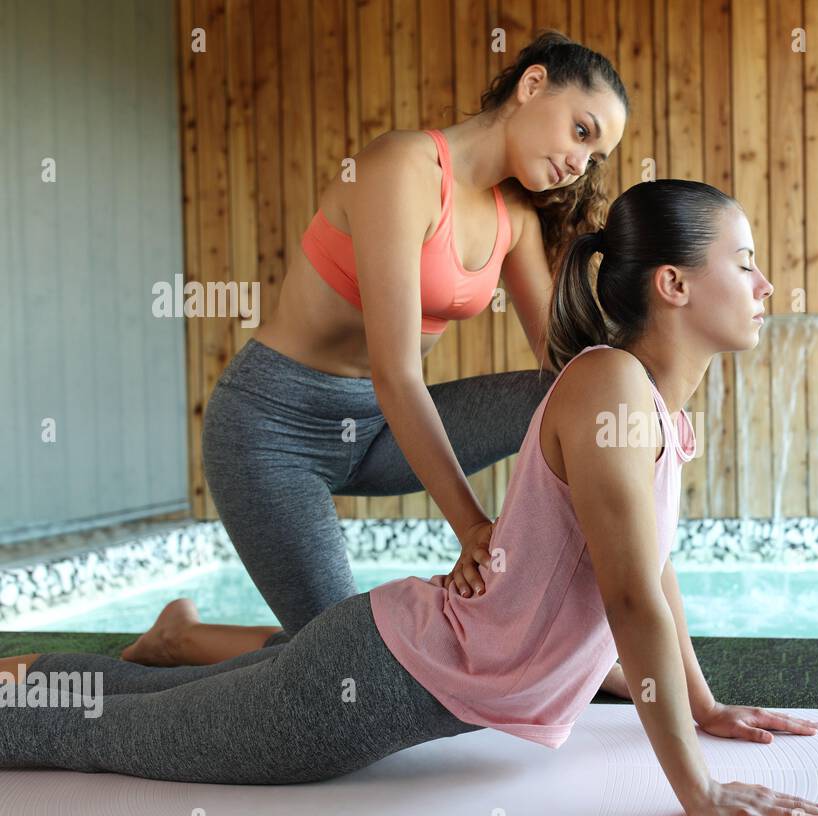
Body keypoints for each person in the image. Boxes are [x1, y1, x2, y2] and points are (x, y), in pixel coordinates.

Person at [0, 180, 818, 816]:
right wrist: (696, 789)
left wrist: (702, 703)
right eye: (744, 261)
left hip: (379, 657)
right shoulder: (608, 384)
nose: (764, 284)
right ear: (674, 284)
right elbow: (629, 601)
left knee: (132, 702)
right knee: (106, 737)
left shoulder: (647, 404)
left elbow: (651, 572)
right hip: (363, 681)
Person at [122, 31, 631, 705]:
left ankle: (573, 643)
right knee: (344, 673)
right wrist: (474, 529)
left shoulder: (514, 216)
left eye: (594, 153)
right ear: (532, 85)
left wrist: (644, 392)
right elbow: (396, 373)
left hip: (376, 431)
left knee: (574, 396)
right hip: (273, 432)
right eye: (581, 130)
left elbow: (567, 366)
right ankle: (181, 641)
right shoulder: (402, 168)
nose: (580, 160)